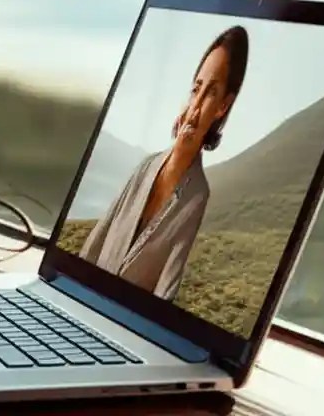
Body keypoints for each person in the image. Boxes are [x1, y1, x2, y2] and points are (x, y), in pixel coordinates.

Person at [79, 26, 249, 300]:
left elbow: (167, 287)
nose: (195, 107)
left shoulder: (197, 197)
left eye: (210, 93)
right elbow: (98, 238)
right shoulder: (146, 166)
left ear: (223, 107)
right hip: (85, 300)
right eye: (196, 89)